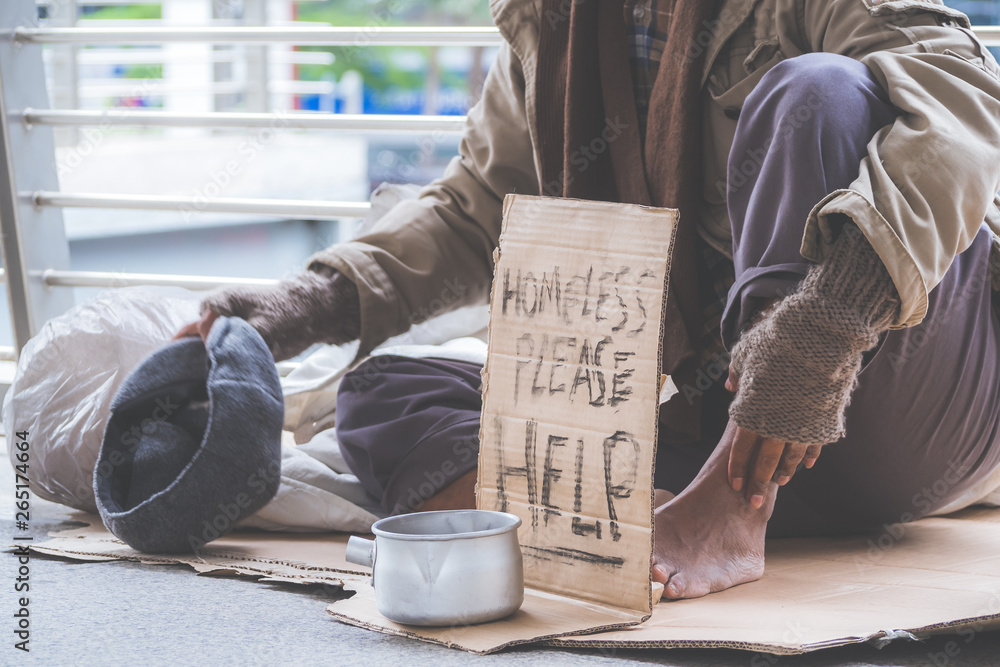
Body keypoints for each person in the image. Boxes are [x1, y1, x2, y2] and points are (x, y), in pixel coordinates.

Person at [175, 0, 1000, 600]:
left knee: (817, 94)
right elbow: (474, 209)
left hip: (912, 396)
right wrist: (304, 302)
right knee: (378, 395)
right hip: (720, 423)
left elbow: (967, 102)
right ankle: (632, 520)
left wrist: (821, 330)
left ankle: (724, 507)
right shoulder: (550, 22)